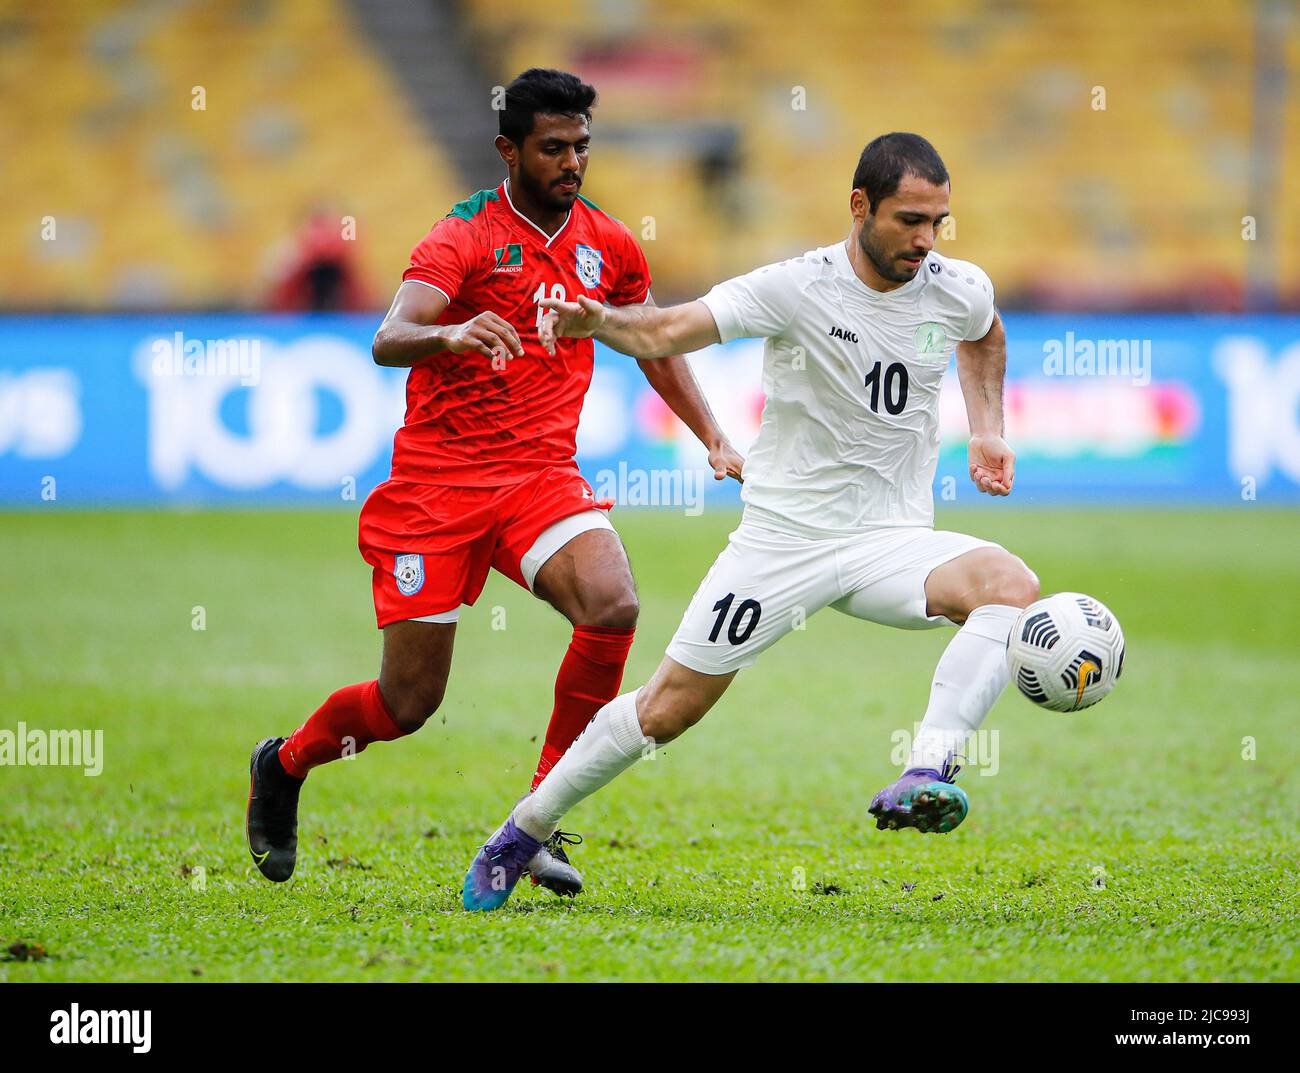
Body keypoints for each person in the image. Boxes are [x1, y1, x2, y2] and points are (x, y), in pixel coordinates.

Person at [462, 132, 1040, 911]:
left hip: (892, 539)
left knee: (1010, 584)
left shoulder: (955, 287)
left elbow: (985, 334)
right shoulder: (795, 288)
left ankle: (928, 769)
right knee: (667, 708)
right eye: (909, 220)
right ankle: (522, 831)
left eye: (938, 221)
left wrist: (988, 426)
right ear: (859, 206)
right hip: (783, 539)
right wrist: (598, 320)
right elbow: (666, 331)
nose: (926, 240)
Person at [246, 68, 742, 895]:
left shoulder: (609, 244)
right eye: (553, 148)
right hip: (436, 488)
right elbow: (388, 335)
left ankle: (538, 816)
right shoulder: (465, 236)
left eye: (582, 146)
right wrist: (448, 337)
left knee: (613, 604)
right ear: (509, 149)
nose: (571, 163)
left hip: (539, 478)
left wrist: (714, 433)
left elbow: (652, 341)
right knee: (406, 703)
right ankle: (285, 762)